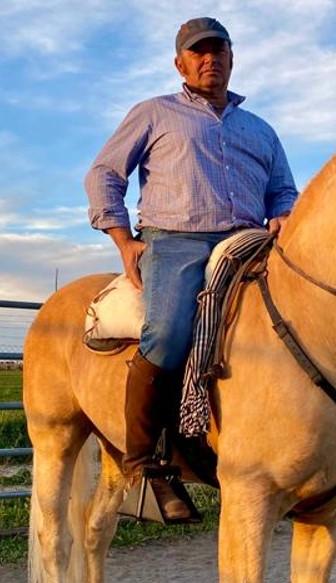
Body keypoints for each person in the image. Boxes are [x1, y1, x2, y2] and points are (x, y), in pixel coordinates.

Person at [84, 17, 299, 522]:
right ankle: (144, 465)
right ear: (180, 64)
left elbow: (283, 190)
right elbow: (104, 174)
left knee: (292, 321)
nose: (210, 60)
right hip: (175, 240)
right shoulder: (154, 113)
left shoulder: (261, 130)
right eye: (198, 52)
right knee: (167, 332)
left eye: (218, 50)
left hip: (247, 241)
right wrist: (123, 240)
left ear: (231, 58)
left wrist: (284, 214)